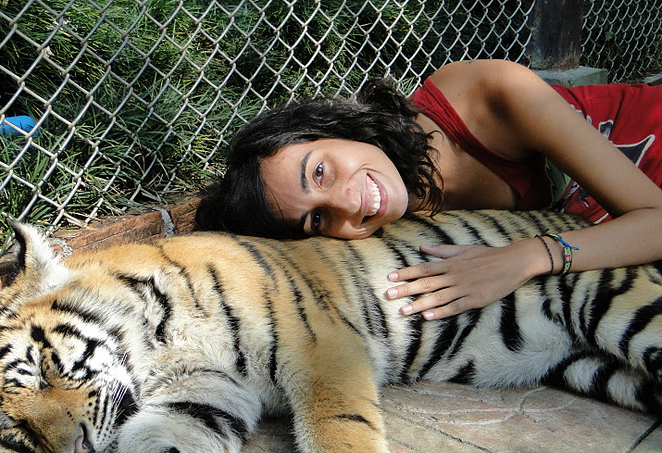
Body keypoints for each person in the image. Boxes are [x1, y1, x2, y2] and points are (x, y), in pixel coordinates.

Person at [196, 59, 662, 320]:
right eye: (318, 219)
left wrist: (526, 257)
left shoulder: (481, 95)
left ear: (328, 128)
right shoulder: (401, 218)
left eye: (320, 172)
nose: (348, 205)